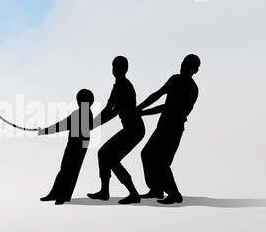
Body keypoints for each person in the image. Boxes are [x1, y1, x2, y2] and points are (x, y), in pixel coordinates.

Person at [137, 54, 201, 205]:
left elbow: (169, 108)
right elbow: (157, 95)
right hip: (163, 125)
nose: (183, 66)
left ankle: (174, 193)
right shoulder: (174, 79)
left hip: (174, 128)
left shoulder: (192, 89)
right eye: (183, 62)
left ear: (194, 70)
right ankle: (156, 189)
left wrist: (142, 112)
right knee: (147, 154)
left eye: (187, 64)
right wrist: (139, 108)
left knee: (162, 162)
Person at [86, 56, 145, 204]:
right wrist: (93, 125)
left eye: (116, 66)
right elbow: (111, 111)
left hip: (134, 129)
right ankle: (104, 192)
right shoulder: (119, 85)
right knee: (104, 154)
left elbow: (109, 111)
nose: (114, 69)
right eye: (113, 66)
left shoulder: (123, 86)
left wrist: (92, 125)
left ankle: (133, 194)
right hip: (132, 129)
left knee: (110, 158)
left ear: (123, 69)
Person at [36, 89, 96, 205]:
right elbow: (65, 124)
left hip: (77, 146)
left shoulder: (82, 113)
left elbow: (63, 125)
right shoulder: (83, 113)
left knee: (70, 171)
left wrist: (45, 131)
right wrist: (45, 131)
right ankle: (56, 194)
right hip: (75, 145)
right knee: (66, 169)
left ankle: (62, 196)